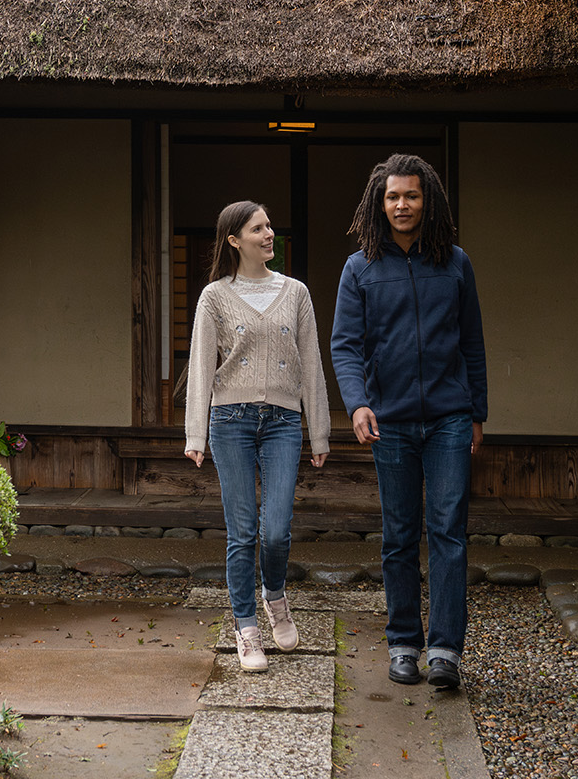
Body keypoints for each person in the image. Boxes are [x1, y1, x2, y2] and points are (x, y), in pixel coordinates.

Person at [329, 154, 487, 692]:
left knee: (448, 533)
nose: (402, 205)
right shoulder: (360, 269)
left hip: (448, 419)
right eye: (393, 197)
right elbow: (345, 346)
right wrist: (357, 403)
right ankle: (402, 644)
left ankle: (445, 651)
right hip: (389, 422)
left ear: (429, 201)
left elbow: (472, 344)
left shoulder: (456, 264)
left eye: (412, 196)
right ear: (380, 202)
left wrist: (476, 412)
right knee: (399, 536)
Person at [183, 200, 331, 673]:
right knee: (242, 530)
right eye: (257, 228)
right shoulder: (215, 297)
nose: (269, 234)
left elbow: (312, 364)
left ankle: (275, 597)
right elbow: (203, 365)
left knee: (277, 529)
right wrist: (196, 434)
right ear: (234, 240)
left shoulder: (297, 293)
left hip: (284, 422)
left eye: (269, 227)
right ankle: (246, 627)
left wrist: (320, 433)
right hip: (231, 421)